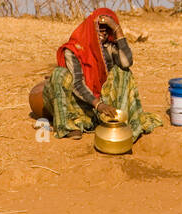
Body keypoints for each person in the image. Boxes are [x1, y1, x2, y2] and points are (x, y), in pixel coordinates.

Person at [41, 8, 162, 141]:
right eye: (99, 28)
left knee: (122, 71)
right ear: (91, 28)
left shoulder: (109, 47)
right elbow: (77, 84)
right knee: (60, 74)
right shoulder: (74, 49)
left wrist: (117, 29)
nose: (102, 32)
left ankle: (120, 123)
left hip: (99, 106)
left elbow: (127, 62)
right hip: (78, 106)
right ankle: (69, 126)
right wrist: (99, 105)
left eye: (106, 29)